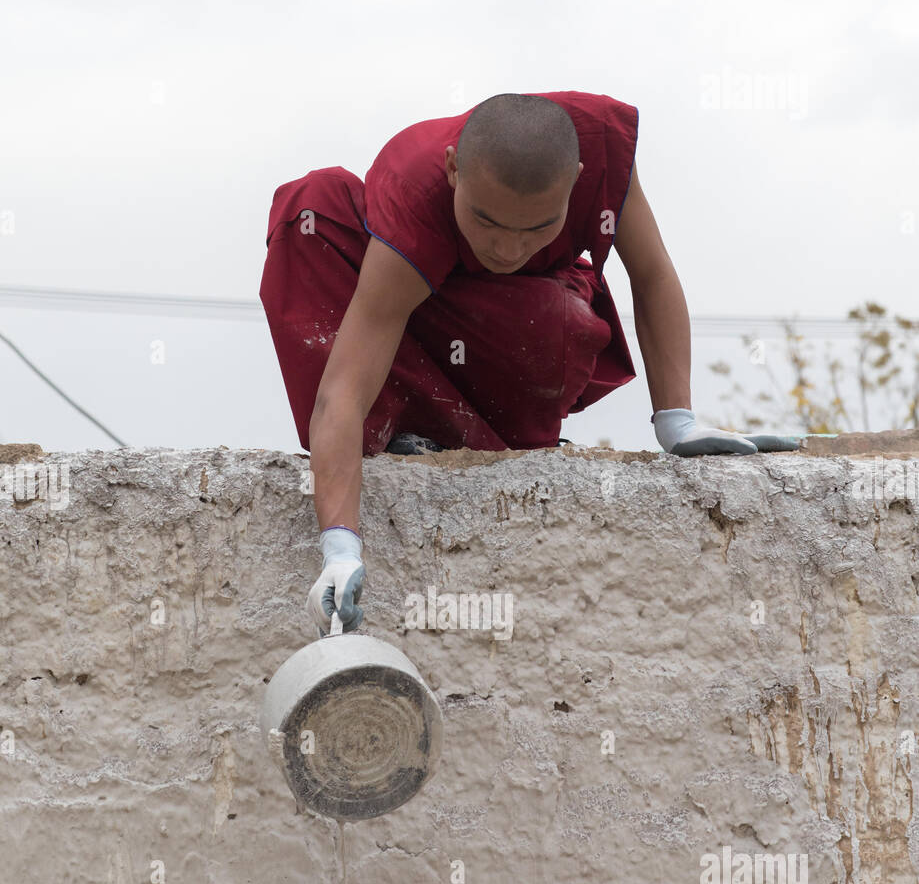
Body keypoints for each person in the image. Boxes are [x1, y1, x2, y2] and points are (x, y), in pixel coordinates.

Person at [258, 91, 801, 635]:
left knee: (559, 320)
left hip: (515, 327)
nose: (507, 248)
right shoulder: (413, 190)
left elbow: (652, 274)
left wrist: (677, 418)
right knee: (315, 203)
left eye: (537, 227)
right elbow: (343, 390)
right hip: (410, 308)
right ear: (452, 169)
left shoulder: (603, 151)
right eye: (486, 221)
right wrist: (340, 547)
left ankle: (477, 432)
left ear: (578, 180)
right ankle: (397, 429)